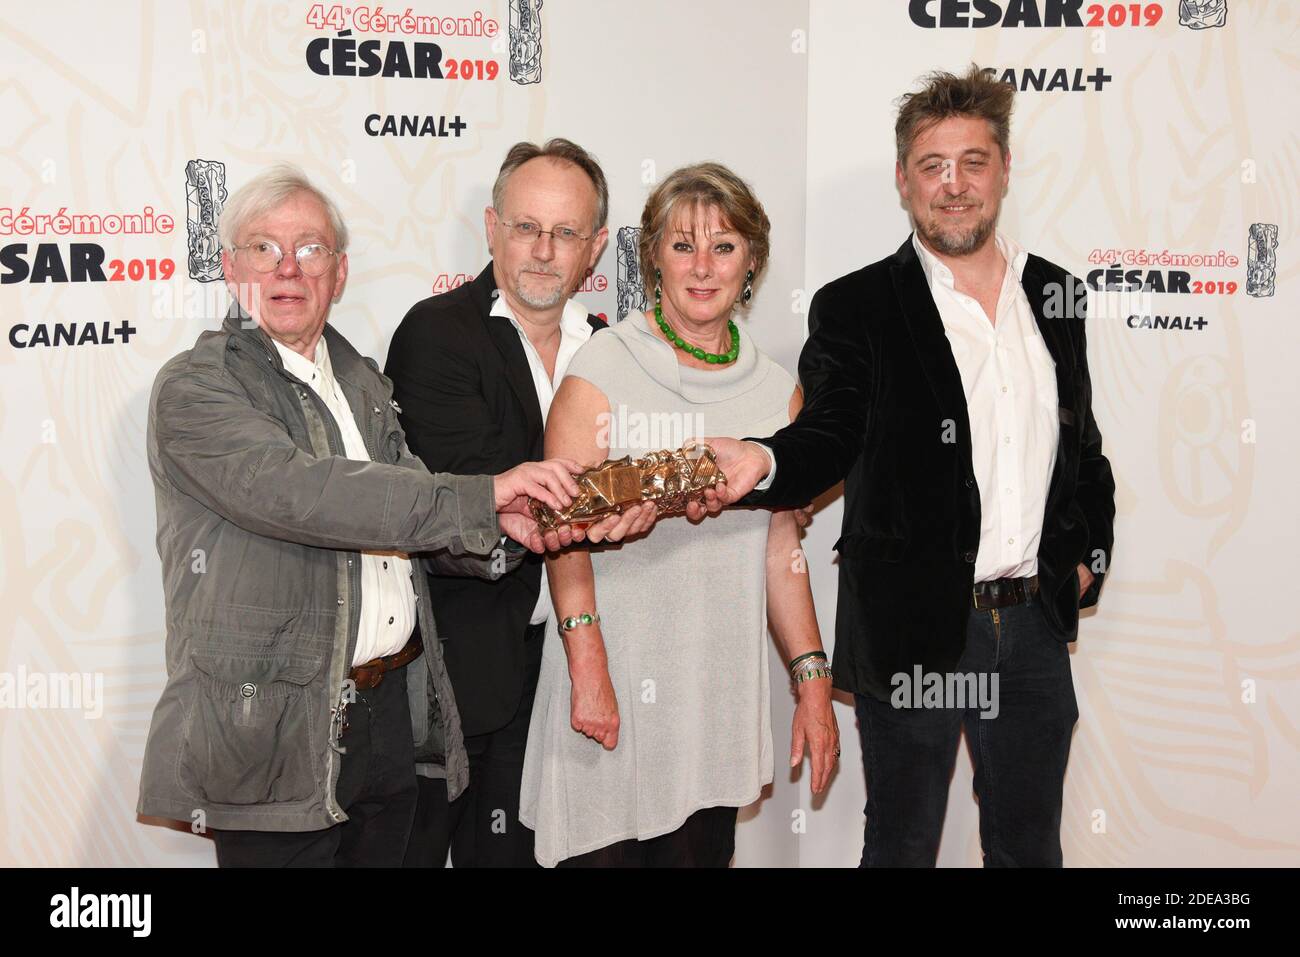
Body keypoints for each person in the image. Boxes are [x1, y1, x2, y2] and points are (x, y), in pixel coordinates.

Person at [705, 66, 1116, 867]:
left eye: (972, 162)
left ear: (1003, 169)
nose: (953, 185)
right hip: (917, 630)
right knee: (900, 848)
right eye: (932, 165)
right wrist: (764, 459)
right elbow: (830, 431)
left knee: (1031, 849)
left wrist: (1087, 559)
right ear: (903, 179)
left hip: (1033, 631)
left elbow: (1085, 445)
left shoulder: (1057, 294)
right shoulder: (858, 304)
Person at [137, 164, 586, 867]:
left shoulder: (362, 381)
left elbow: (410, 516)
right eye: (264, 247)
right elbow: (307, 494)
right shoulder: (196, 387)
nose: (288, 266)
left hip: (393, 721)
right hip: (275, 735)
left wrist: (506, 531)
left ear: (339, 273)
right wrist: (480, 496)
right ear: (229, 267)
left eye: (311, 248)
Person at [519, 162, 839, 867]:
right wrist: (588, 666)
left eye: (723, 247)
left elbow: (782, 553)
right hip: (611, 687)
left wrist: (812, 680)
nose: (703, 267)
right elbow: (562, 536)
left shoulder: (776, 392)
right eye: (683, 244)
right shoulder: (605, 367)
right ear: (652, 255)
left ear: (750, 261)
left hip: (714, 699)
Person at [386, 139, 656, 867]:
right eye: (525, 226)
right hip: (453, 679)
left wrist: (643, 504)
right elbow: (472, 500)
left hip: (562, 673)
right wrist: (615, 505)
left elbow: (629, 489)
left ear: (596, 247)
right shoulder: (437, 333)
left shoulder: (611, 351)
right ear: (491, 227)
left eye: (565, 232)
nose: (543, 249)